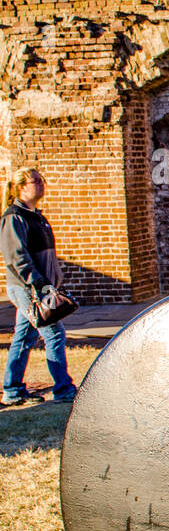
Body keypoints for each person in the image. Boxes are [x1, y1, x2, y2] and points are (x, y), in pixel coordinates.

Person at [2, 167, 76, 406]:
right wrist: (41, 284)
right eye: (36, 181)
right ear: (21, 187)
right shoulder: (14, 217)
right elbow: (17, 258)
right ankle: (63, 389)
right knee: (54, 334)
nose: (41, 184)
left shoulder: (36, 217)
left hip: (41, 287)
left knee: (24, 337)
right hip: (28, 289)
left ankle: (13, 390)